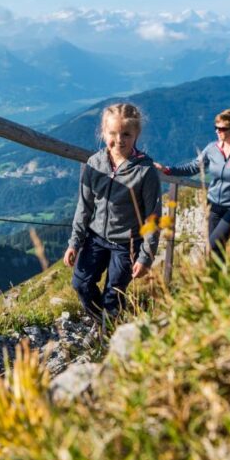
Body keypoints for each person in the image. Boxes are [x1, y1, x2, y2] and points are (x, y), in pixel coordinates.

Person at [63, 102, 162, 327]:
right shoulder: (94, 164)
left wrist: (146, 256)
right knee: (81, 284)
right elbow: (84, 206)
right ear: (103, 132)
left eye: (126, 133)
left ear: (136, 134)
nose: (119, 140)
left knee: (113, 293)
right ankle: (105, 323)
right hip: (95, 237)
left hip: (127, 243)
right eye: (112, 133)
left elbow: (152, 218)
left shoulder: (145, 171)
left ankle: (109, 332)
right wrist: (74, 243)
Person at [154, 108, 230, 262]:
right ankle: (220, 284)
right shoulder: (212, 149)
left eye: (222, 129)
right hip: (213, 206)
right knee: (216, 250)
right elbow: (193, 167)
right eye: (216, 127)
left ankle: (221, 282)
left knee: (212, 245)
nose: (218, 132)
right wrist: (168, 170)